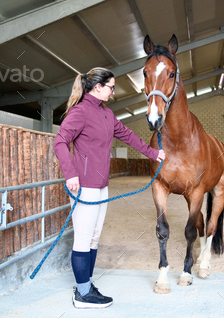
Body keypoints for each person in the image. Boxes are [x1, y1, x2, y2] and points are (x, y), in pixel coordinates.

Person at [53, 67, 165, 309]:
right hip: (84, 186)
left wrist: (153, 153)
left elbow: (127, 135)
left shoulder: (106, 113)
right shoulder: (80, 112)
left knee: (93, 239)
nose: (113, 92)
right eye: (111, 87)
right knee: (83, 240)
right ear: (97, 87)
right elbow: (60, 141)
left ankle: (87, 285)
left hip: (101, 186)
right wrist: (70, 173)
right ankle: (82, 294)